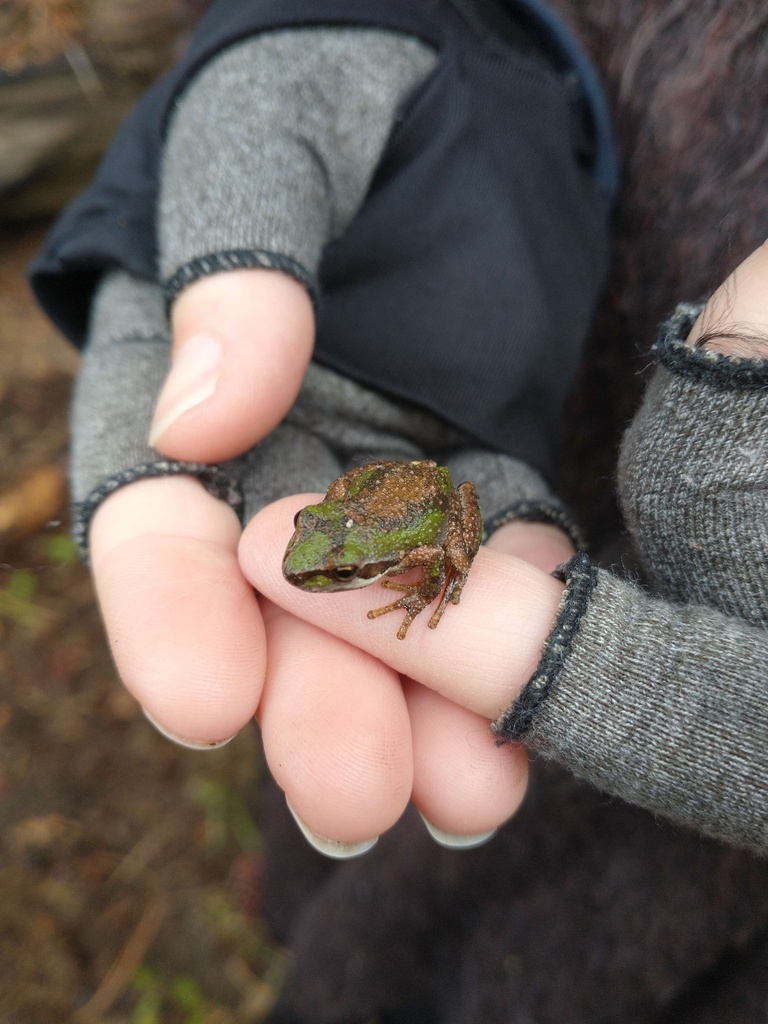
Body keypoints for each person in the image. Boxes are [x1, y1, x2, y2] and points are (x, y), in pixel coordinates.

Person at [30, 0, 768, 1018]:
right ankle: (305, 897)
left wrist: (431, 573)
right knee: (347, 739)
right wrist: (433, 48)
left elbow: (446, 531)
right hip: (467, 433)